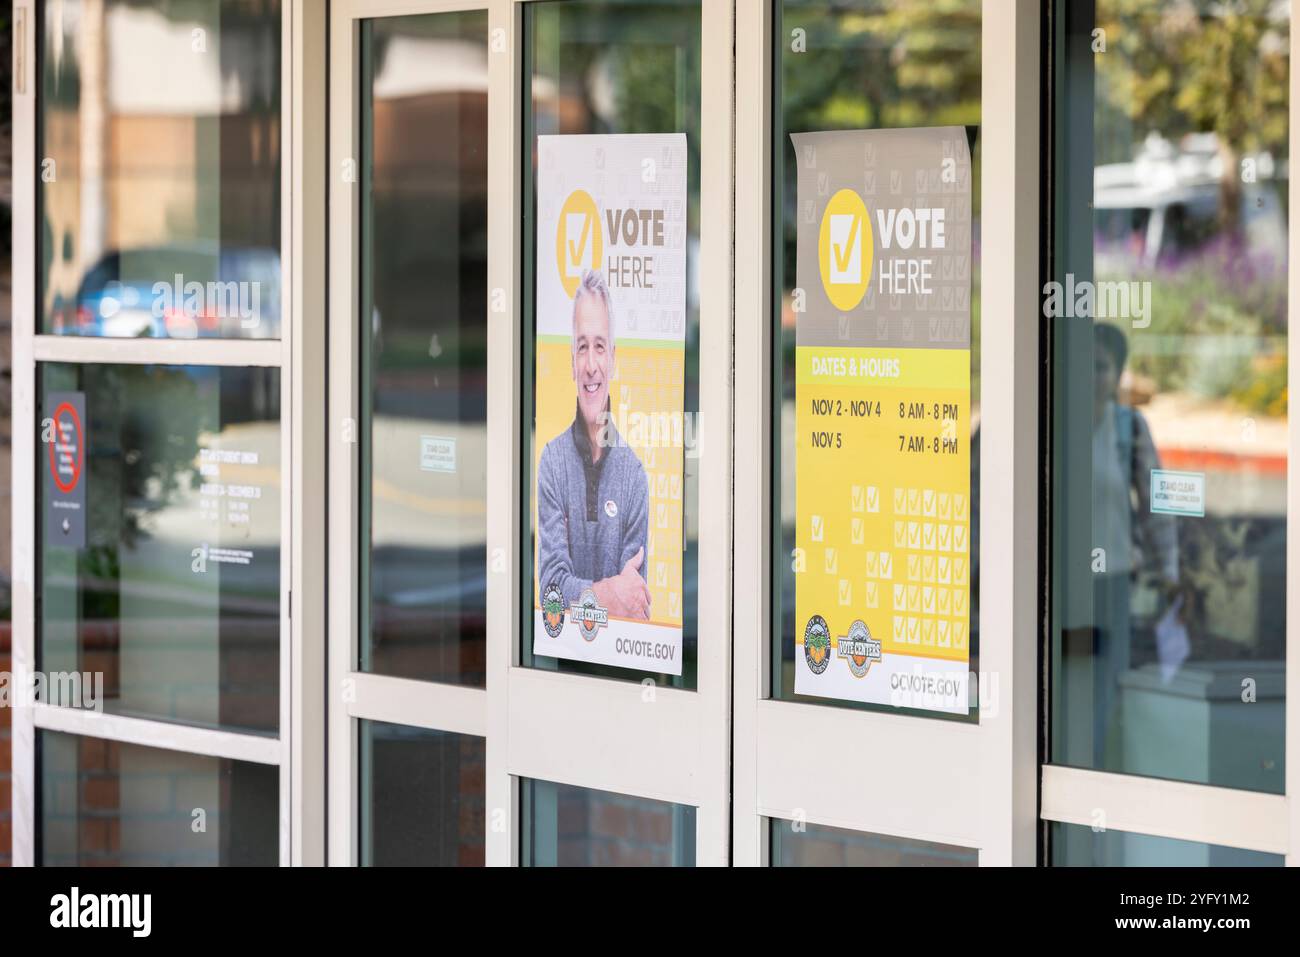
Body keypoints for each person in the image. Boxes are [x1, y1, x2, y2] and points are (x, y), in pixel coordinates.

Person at [537, 269, 651, 619]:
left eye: (599, 347)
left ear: (613, 358)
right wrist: (607, 592)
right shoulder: (552, 463)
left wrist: (586, 593)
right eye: (581, 347)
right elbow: (551, 591)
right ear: (571, 361)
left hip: (621, 671)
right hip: (557, 666)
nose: (590, 365)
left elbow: (633, 603)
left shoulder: (634, 475)